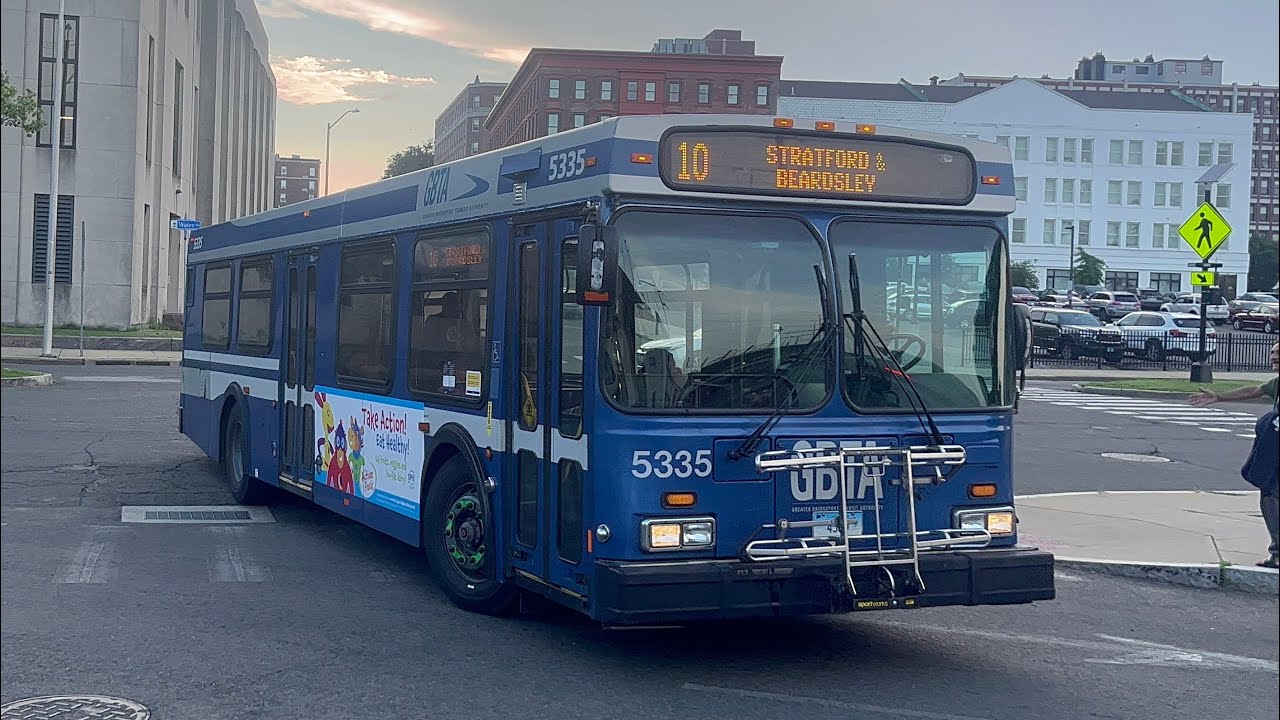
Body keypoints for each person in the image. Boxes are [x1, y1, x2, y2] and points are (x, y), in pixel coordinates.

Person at [1189, 341, 1280, 569]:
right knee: (1270, 493)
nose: (1274, 356)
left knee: (1271, 494)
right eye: (1272, 352)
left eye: (1279, 353)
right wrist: (1219, 397)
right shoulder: (1276, 383)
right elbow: (1252, 391)